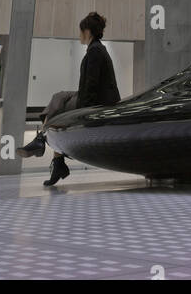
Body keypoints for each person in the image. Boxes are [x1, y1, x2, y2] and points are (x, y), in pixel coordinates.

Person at [17, 12, 120, 187]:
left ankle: (45, 145)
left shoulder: (95, 51)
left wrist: (81, 113)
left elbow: (92, 85)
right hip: (91, 95)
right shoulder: (96, 49)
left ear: (87, 32)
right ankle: (45, 145)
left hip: (98, 102)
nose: (79, 35)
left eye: (81, 31)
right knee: (59, 96)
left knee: (60, 111)